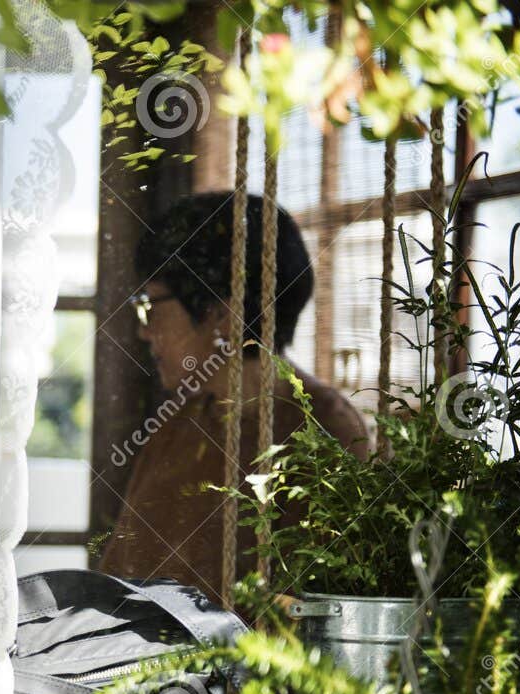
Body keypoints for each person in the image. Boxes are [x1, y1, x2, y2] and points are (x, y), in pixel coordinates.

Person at [100, 192, 371, 596]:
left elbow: (322, 615)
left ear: (223, 314)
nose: (143, 330)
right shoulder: (182, 421)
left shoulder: (326, 434)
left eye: (150, 306)